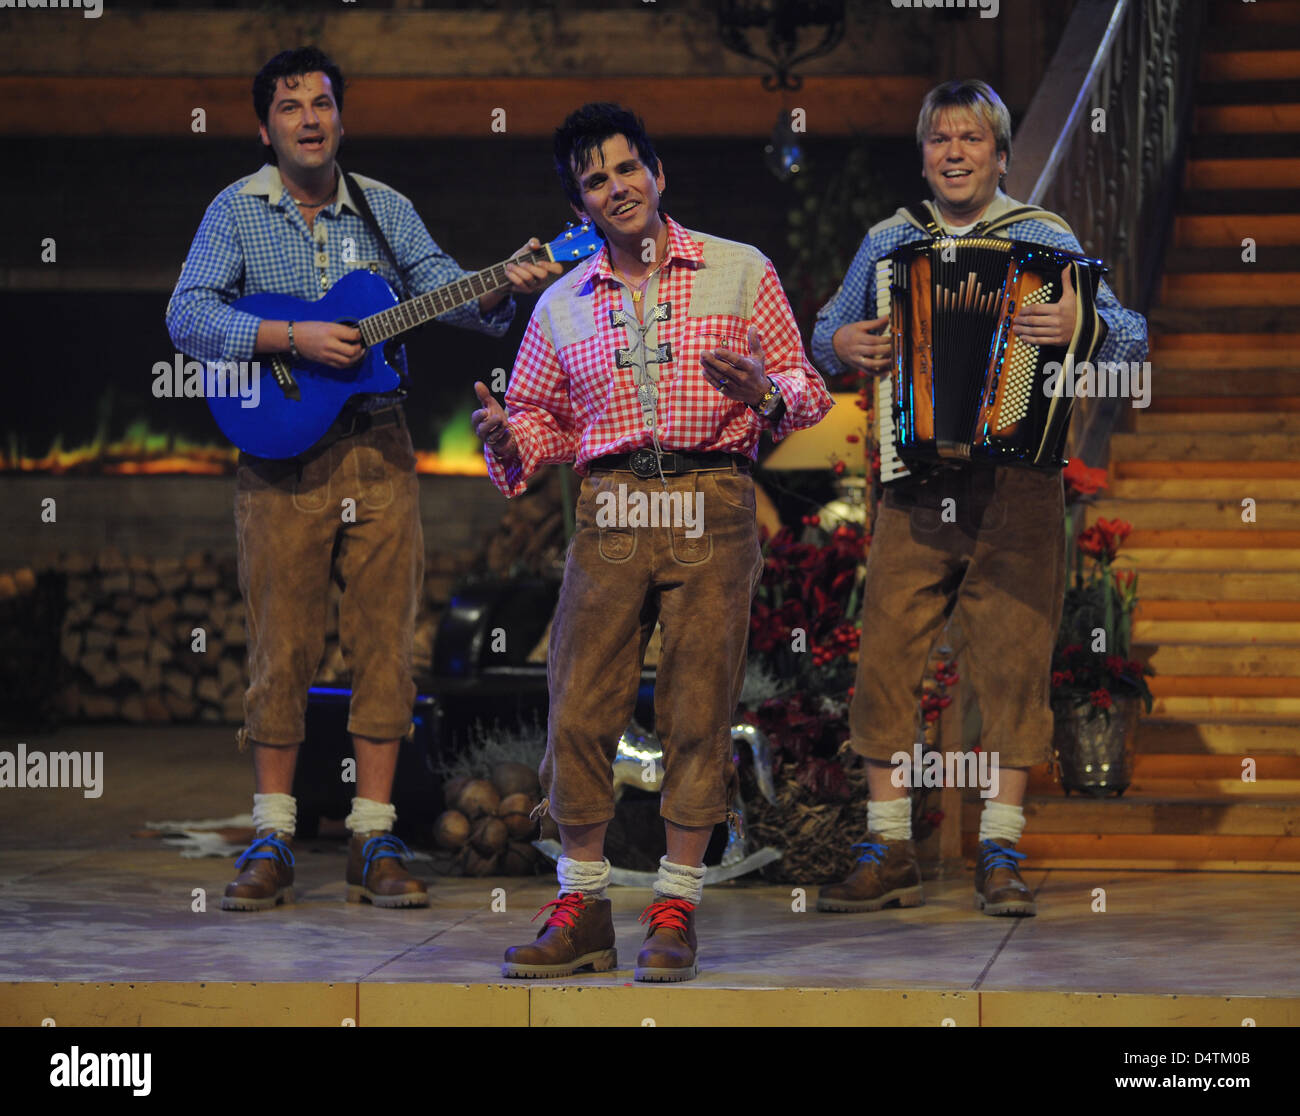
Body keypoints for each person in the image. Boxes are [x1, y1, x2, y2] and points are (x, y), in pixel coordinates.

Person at [166, 46, 561, 912]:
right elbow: (186, 313)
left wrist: (503, 288)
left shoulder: (385, 211)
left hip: (378, 448)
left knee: (385, 640)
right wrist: (288, 340)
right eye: (290, 106)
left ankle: (372, 832)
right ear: (263, 126)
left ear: (341, 117)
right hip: (280, 457)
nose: (309, 118)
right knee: (282, 644)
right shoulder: (235, 211)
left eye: (322, 103)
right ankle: (271, 834)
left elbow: (450, 294)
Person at [472, 102, 833, 981]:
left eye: (627, 169)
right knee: (580, 701)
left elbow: (808, 387)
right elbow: (541, 426)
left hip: (713, 495)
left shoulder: (740, 271)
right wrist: (509, 441)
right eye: (596, 181)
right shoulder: (560, 302)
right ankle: (584, 904)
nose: (616, 188)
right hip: (613, 503)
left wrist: (765, 392)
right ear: (581, 207)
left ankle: (676, 907)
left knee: (695, 707)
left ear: (658, 173)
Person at [810, 79, 1147, 917]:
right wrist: (843, 341)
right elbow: (822, 333)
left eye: (970, 140)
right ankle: (887, 848)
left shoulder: (1043, 237)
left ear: (1000, 154)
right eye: (939, 140)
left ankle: (1001, 850)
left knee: (1014, 661)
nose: (954, 154)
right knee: (885, 654)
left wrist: (1080, 329)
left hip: (1018, 482)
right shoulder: (890, 240)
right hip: (914, 482)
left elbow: (1132, 334)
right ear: (923, 156)